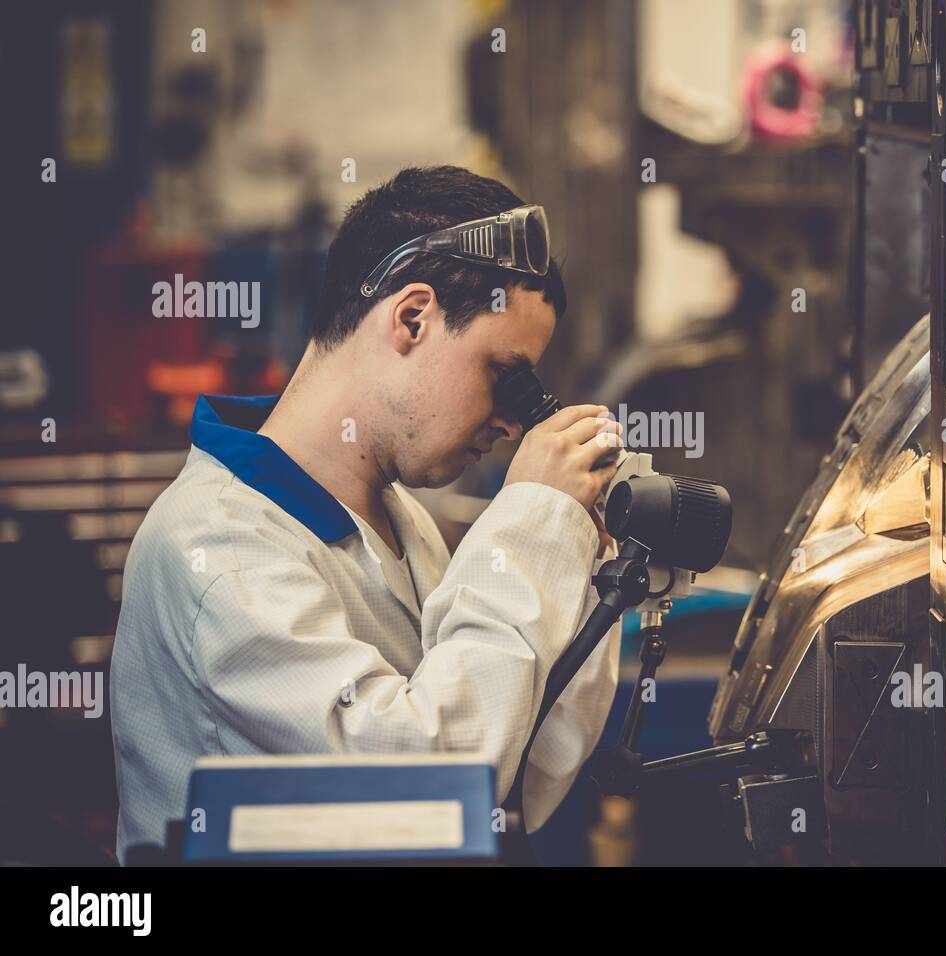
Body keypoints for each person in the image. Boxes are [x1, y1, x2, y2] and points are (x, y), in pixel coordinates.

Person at [110, 165, 624, 860]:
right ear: (412, 317)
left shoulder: (400, 519)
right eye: (504, 375)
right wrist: (530, 524)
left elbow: (517, 777)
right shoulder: (220, 543)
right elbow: (427, 786)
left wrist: (585, 576)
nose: (512, 423)